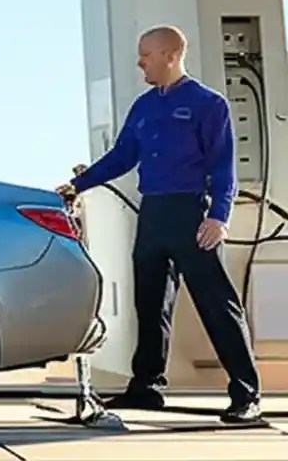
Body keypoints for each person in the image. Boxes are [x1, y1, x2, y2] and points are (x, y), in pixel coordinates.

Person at [57, 24, 262, 424]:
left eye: (146, 54)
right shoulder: (144, 106)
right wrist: (77, 185)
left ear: (171, 54)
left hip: (193, 216)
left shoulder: (208, 104)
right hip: (152, 213)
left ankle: (246, 394)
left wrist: (219, 216)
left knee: (217, 304)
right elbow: (121, 157)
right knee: (150, 305)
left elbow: (223, 167)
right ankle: (146, 388)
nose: (140, 62)